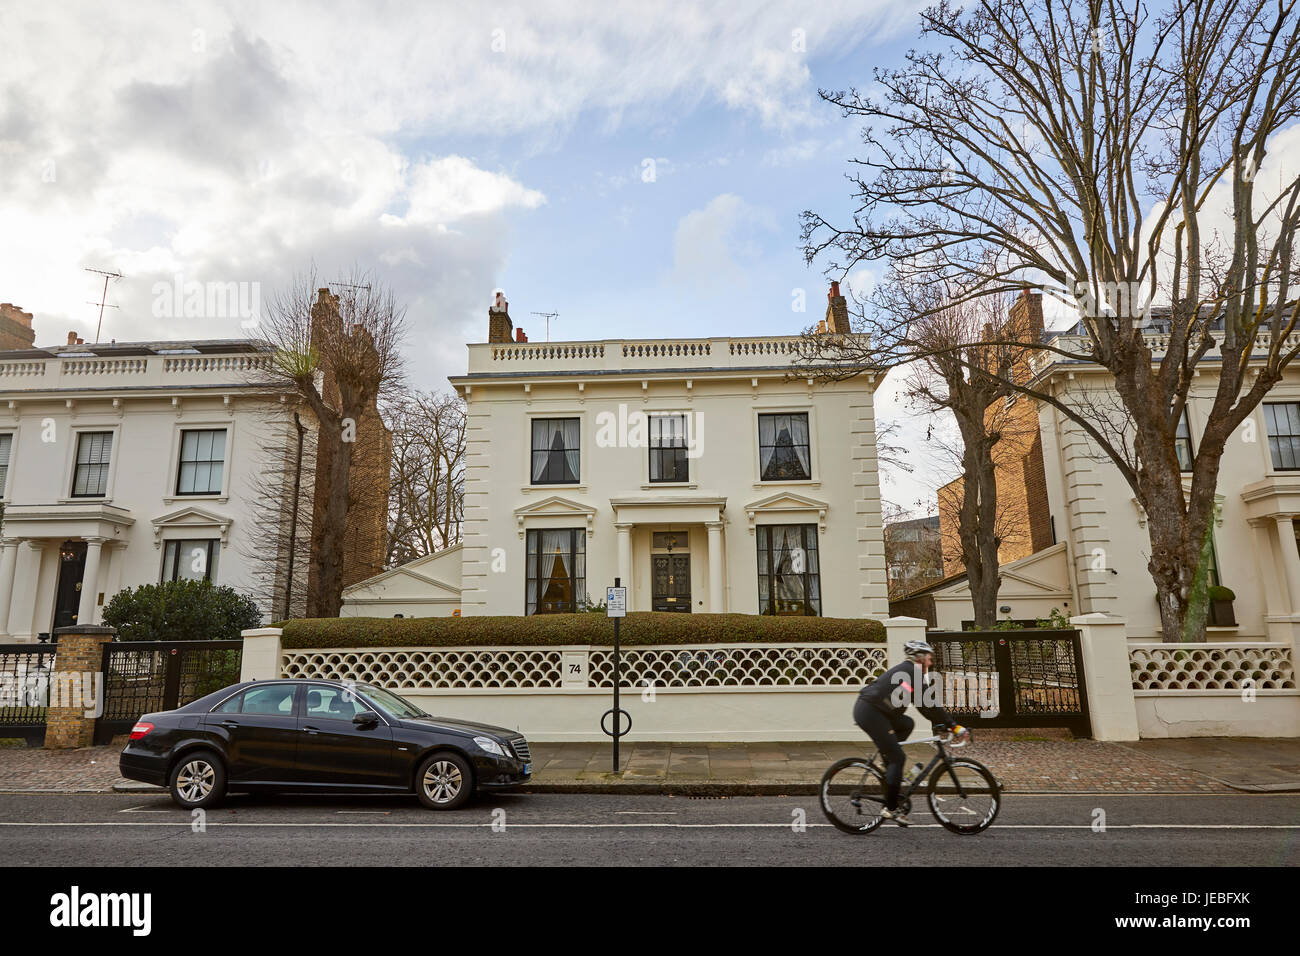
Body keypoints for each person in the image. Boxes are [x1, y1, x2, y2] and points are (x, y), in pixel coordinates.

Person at [854, 639, 968, 826]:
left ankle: (888, 760)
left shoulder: (909, 673)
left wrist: (945, 723)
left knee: (907, 723)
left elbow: (925, 706)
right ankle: (891, 809)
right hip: (870, 712)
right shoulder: (910, 672)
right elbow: (929, 705)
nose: (930, 663)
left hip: (876, 711)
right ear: (920, 658)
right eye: (929, 659)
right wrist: (954, 726)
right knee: (898, 758)